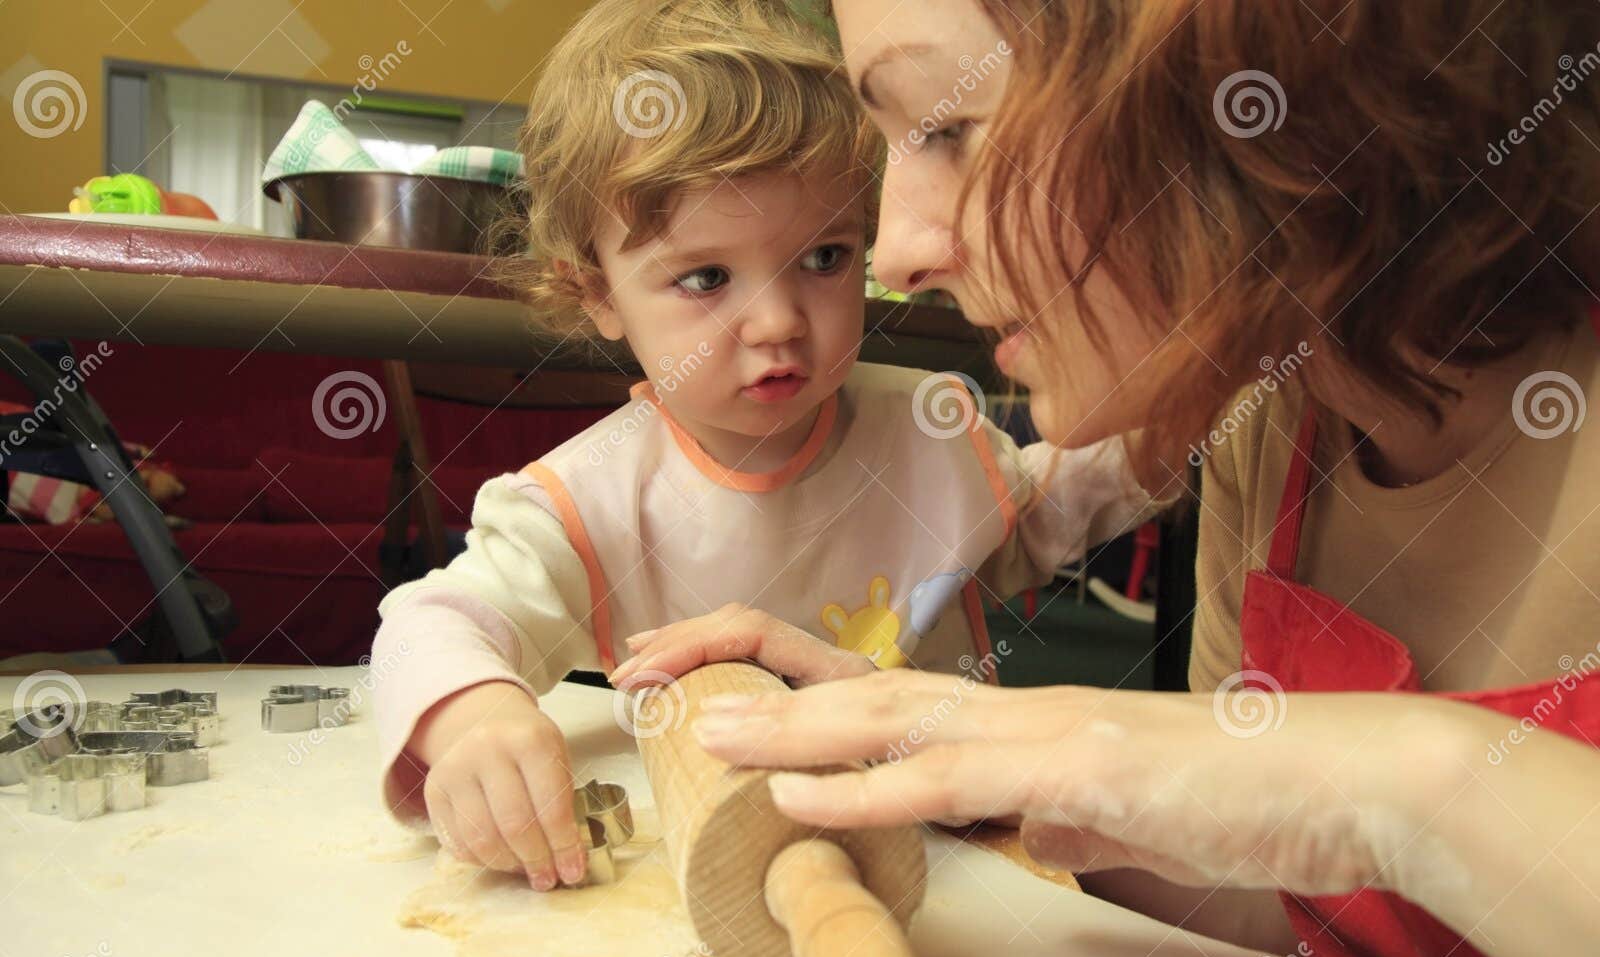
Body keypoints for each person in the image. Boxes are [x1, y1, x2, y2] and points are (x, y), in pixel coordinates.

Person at [620, 0, 1600, 957]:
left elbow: (1365, 814)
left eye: (948, 128)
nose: (896, 253)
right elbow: (1295, 914)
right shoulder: (1264, 422)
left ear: (1257, 79)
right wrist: (976, 781)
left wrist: (1401, 785)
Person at [368, 0, 1164, 895]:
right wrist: (471, 717)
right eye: (707, 277)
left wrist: (1179, 410)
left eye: (825, 258)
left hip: (970, 868)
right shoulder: (591, 497)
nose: (780, 321)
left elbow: (1037, 513)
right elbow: (430, 623)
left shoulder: (927, 432)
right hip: (718, 873)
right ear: (596, 293)